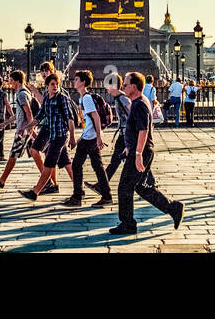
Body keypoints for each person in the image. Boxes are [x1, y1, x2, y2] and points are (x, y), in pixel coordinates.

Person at [108, 72, 183, 235]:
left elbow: (143, 130)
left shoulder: (140, 104)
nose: (123, 87)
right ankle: (173, 208)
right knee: (142, 187)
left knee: (125, 187)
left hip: (141, 151)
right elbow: (136, 130)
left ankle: (128, 224)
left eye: (126, 84)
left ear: (133, 87)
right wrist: (129, 147)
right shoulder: (138, 102)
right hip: (137, 150)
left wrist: (137, 154)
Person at [20, 72, 76, 200]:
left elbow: (70, 118)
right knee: (66, 162)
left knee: (49, 164)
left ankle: (35, 192)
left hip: (61, 136)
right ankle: (79, 189)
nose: (55, 86)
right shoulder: (46, 98)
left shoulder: (62, 98)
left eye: (56, 84)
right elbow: (40, 116)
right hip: (53, 135)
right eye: (52, 84)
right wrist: (28, 126)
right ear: (47, 86)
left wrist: (72, 137)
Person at [63, 70, 113, 207]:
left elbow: (95, 117)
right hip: (89, 136)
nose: (74, 82)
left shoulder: (86, 98)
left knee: (77, 165)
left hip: (91, 138)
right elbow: (90, 121)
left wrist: (98, 137)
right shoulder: (83, 98)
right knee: (97, 166)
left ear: (83, 82)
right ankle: (107, 195)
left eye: (76, 79)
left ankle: (77, 197)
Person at [0, 70, 35, 190]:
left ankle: (2, 180)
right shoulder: (25, 93)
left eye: (11, 80)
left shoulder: (21, 95)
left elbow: (28, 113)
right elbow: (19, 114)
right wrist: (5, 123)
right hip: (24, 130)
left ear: (17, 81)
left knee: (13, 155)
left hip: (22, 131)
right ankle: (49, 180)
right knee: (35, 155)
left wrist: (30, 129)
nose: (9, 82)